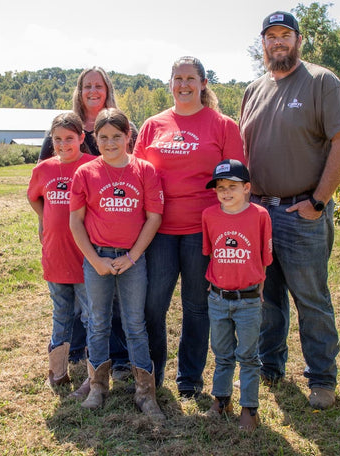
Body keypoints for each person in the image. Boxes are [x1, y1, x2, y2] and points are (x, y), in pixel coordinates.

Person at [239, 11, 340, 410]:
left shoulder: (321, 82)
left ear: (298, 40)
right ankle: (272, 367)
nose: (278, 42)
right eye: (271, 36)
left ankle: (322, 378)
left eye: (285, 35)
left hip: (300, 212)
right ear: (263, 44)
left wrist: (318, 201)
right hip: (258, 212)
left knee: (311, 300)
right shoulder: (253, 89)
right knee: (267, 299)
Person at [134, 56, 244, 396]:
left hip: (203, 231)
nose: (184, 84)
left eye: (190, 78)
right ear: (170, 83)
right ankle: (152, 374)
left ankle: (190, 379)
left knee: (196, 306)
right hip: (159, 231)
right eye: (178, 78)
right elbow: (135, 174)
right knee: (153, 305)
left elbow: (237, 179)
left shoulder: (223, 126)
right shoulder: (153, 126)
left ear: (203, 83)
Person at [39, 67, 133, 390]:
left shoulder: (117, 125)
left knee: (109, 299)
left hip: (108, 232)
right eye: (87, 86)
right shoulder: (66, 127)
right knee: (73, 300)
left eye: (99, 85)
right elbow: (42, 184)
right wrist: (44, 222)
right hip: (70, 234)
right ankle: (76, 355)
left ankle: (117, 358)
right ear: (79, 91)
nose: (93, 90)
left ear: (107, 89)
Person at [69, 108, 165, 420]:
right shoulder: (85, 173)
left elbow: (154, 217)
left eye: (117, 136)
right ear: (94, 139)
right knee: (97, 321)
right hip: (98, 255)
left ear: (128, 137)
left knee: (135, 323)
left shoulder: (145, 171)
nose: (110, 143)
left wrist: (133, 256)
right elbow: (76, 222)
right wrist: (95, 260)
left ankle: (144, 392)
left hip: (131, 257)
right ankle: (98, 386)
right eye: (104, 137)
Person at [27, 113, 96, 391]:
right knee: (61, 314)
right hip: (55, 255)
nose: (64, 144)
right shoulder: (43, 169)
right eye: (57, 139)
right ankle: (57, 371)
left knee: (91, 314)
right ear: (51, 140)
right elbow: (33, 197)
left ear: (81, 138)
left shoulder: (92, 166)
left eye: (70, 138)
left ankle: (95, 374)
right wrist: (46, 221)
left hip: (85, 255)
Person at [201, 159, 272, 431]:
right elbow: (210, 253)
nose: (226, 192)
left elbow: (264, 258)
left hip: (249, 300)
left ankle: (249, 407)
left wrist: (259, 285)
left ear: (247, 188)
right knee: (221, 353)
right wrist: (215, 284)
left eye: (232, 186)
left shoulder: (259, 215)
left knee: (249, 354)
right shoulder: (209, 215)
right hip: (218, 298)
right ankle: (221, 399)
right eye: (220, 187)